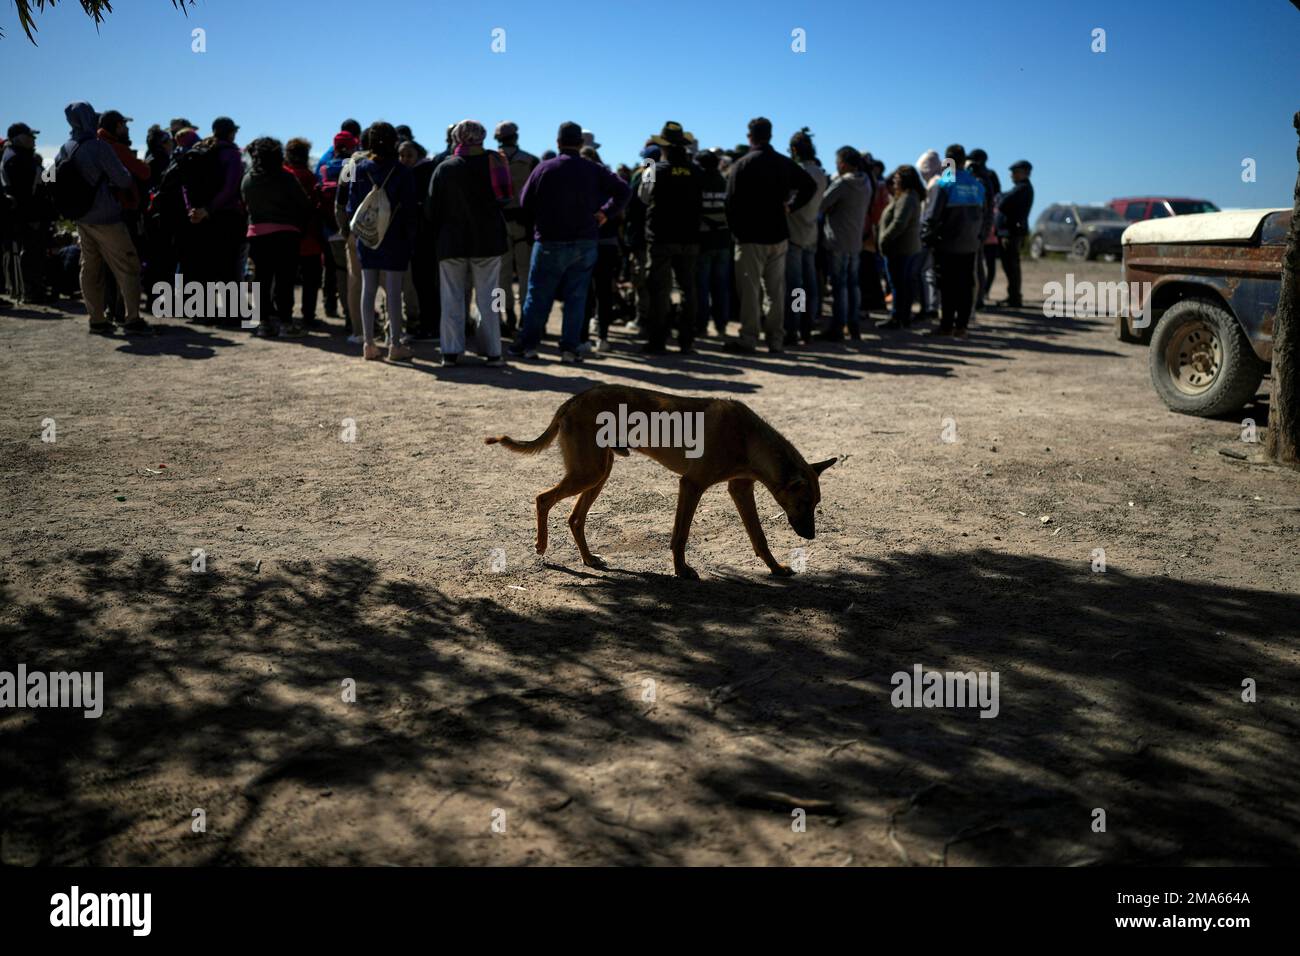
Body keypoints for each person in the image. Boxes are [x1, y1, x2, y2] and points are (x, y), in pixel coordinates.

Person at [508, 121, 630, 363]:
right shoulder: (593, 169)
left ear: (558, 142)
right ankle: (569, 349)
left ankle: (529, 345)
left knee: (538, 295)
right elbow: (624, 190)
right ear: (581, 143)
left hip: (549, 241)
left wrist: (542, 216)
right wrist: (605, 212)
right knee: (577, 296)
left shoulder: (545, 168)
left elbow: (525, 202)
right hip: (584, 241)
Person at [723, 117, 816, 354]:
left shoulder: (742, 165)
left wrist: (736, 232)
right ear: (771, 135)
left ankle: (749, 337)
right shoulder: (782, 163)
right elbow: (809, 186)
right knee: (778, 291)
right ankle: (776, 339)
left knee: (751, 291)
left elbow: (730, 203)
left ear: (750, 136)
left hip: (751, 236)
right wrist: (791, 206)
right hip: (779, 235)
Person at [55, 101, 147, 334]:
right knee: (128, 265)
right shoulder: (98, 147)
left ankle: (96, 319)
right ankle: (132, 318)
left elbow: (50, 179)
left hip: (81, 218)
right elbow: (124, 179)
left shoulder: (65, 148)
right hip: (107, 217)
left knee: (90, 268)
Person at [427, 119, 510, 367]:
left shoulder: (445, 168)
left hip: (452, 243)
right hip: (488, 242)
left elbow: (431, 210)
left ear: (457, 138)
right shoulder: (496, 162)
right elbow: (505, 198)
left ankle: (450, 352)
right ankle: (493, 351)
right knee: (491, 298)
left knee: (451, 297)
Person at [344, 121, 417, 361]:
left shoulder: (358, 168)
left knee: (368, 288)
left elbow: (351, 206)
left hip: (367, 235)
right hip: (394, 237)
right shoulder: (402, 171)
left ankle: (368, 344)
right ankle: (395, 344)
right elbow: (409, 209)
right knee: (394, 292)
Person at [637, 121, 704, 355]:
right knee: (688, 290)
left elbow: (643, 198)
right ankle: (687, 341)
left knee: (659, 290)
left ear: (663, 146)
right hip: (690, 239)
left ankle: (657, 341)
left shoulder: (654, 170)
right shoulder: (698, 171)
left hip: (662, 238)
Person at [241, 137, 312, 336]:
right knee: (284, 280)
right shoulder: (286, 177)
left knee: (261, 279)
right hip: (286, 235)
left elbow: (245, 205)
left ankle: (263, 323)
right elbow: (304, 204)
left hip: (257, 235)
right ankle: (285, 324)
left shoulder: (248, 179)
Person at [919, 144, 985, 338]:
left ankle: (946, 325)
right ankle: (961, 326)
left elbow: (932, 215)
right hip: (970, 243)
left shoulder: (946, 182)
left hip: (947, 244)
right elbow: (985, 214)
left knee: (947, 287)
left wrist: (927, 237)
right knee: (965, 285)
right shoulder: (976, 184)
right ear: (964, 161)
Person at [817, 146, 871, 341]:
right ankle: (853, 325)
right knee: (853, 284)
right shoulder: (866, 183)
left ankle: (838, 326)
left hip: (837, 240)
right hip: (855, 240)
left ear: (844, 163)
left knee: (839, 286)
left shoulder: (843, 184)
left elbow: (822, 204)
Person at [184, 117, 246, 285]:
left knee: (205, 268)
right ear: (232, 133)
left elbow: (186, 183)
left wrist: (193, 209)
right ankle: (231, 310)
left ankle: (205, 309)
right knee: (228, 270)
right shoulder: (232, 154)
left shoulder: (199, 151)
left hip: (200, 218)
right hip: (226, 217)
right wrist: (209, 209)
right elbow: (231, 188)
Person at [783, 127, 827, 346]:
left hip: (794, 234)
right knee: (810, 284)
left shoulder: (797, 173)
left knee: (796, 287)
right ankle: (807, 326)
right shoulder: (820, 173)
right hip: (811, 233)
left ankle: (793, 327)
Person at [493, 121, 539, 333]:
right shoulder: (530, 160)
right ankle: (525, 317)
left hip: (498, 223)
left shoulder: (490, 159)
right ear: (516, 137)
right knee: (525, 274)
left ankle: (503, 316)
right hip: (523, 224)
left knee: (500, 277)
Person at [1, 122, 51, 304]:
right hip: (29, 216)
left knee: (33, 253)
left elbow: (43, 178)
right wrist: (32, 217)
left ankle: (32, 289)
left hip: (31, 214)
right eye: (29, 135)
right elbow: (24, 192)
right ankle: (30, 291)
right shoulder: (16, 158)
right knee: (31, 254)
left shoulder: (21, 156)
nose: (33, 139)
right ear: (19, 138)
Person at [580, 144, 621, 354]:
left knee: (584, 292)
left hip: (587, 243)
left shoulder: (580, 180)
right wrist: (608, 214)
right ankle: (602, 337)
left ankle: (584, 338)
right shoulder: (609, 180)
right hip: (608, 243)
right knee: (604, 293)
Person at [877, 165, 925, 329]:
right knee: (903, 284)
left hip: (899, 248)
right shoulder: (909, 197)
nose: (894, 181)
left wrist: (884, 239)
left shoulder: (907, 198)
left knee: (898, 284)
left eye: (897, 178)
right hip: (904, 247)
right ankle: (902, 316)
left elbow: (899, 223)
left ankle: (898, 316)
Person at [318, 130, 357, 322]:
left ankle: (338, 308)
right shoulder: (352, 167)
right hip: (348, 227)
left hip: (329, 228)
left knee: (337, 271)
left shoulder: (324, 167)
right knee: (352, 273)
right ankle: (352, 316)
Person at [284, 137, 324, 327]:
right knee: (311, 279)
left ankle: (285, 313)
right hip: (310, 237)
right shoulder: (310, 177)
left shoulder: (283, 176)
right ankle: (308, 314)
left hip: (286, 235)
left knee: (286, 277)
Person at [694, 147, 731, 339]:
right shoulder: (724, 181)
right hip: (723, 240)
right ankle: (721, 325)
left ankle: (701, 326)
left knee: (702, 287)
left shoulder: (698, 182)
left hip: (704, 241)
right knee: (721, 287)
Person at [965, 148, 1001, 312]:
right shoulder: (987, 176)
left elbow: (985, 205)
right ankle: (979, 297)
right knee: (979, 265)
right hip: (982, 227)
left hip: (977, 227)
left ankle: (977, 299)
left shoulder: (981, 178)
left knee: (976, 266)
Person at [995, 159, 1034, 309]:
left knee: (1011, 266)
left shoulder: (1022, 189)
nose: (1012, 175)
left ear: (1025, 173)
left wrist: (999, 198)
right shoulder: (1019, 188)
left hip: (1011, 233)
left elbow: (1003, 203)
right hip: (1010, 232)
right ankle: (1013, 296)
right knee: (1010, 266)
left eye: (1015, 172)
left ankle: (1014, 297)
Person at [915, 149, 943, 320]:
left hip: (931, 234)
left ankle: (929, 307)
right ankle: (931, 305)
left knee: (927, 272)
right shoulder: (941, 181)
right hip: (937, 233)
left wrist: (926, 232)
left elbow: (931, 213)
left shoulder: (935, 184)